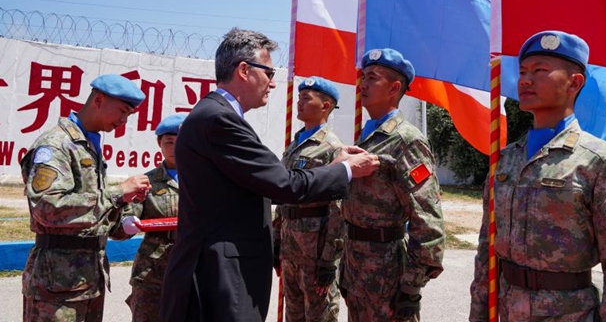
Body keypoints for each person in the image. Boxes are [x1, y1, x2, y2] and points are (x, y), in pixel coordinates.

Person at [159, 28, 380, 322]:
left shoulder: (212, 115)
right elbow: (285, 185)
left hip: (216, 269)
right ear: (244, 70)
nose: (273, 83)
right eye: (269, 72)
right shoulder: (220, 120)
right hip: (220, 275)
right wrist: (346, 170)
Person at [469, 30, 606, 321]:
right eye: (522, 72)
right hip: (506, 311)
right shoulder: (505, 161)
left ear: (574, 82)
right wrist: (479, 315)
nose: (526, 80)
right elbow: (486, 253)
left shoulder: (602, 162)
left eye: (540, 70)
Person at [20, 74, 152, 322]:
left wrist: (124, 216)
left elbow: (92, 211)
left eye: (128, 116)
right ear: (99, 100)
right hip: (55, 283)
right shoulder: (57, 144)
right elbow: (47, 207)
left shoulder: (88, 145)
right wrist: (117, 193)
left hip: (88, 279)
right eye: (122, 111)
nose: (123, 121)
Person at [340, 48, 445, 322]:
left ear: (394, 87)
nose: (362, 84)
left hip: (388, 272)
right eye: (364, 76)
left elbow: (427, 218)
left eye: (372, 78)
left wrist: (411, 285)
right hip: (356, 266)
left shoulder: (406, 140)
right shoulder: (366, 137)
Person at [273, 76, 345, 322]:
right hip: (290, 247)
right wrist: (276, 241)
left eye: (306, 98)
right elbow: (283, 197)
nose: (299, 103)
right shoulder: (294, 145)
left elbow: (338, 209)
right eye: (299, 98)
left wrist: (329, 259)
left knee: (319, 314)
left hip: (314, 252)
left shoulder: (332, 148)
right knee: (294, 314)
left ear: (325, 106)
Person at [111, 113, 187, 322]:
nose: (174, 148)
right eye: (169, 142)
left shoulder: (204, 180)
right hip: (153, 270)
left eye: (180, 142)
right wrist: (127, 223)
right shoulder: (146, 181)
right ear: (159, 144)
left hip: (193, 266)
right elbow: (127, 218)